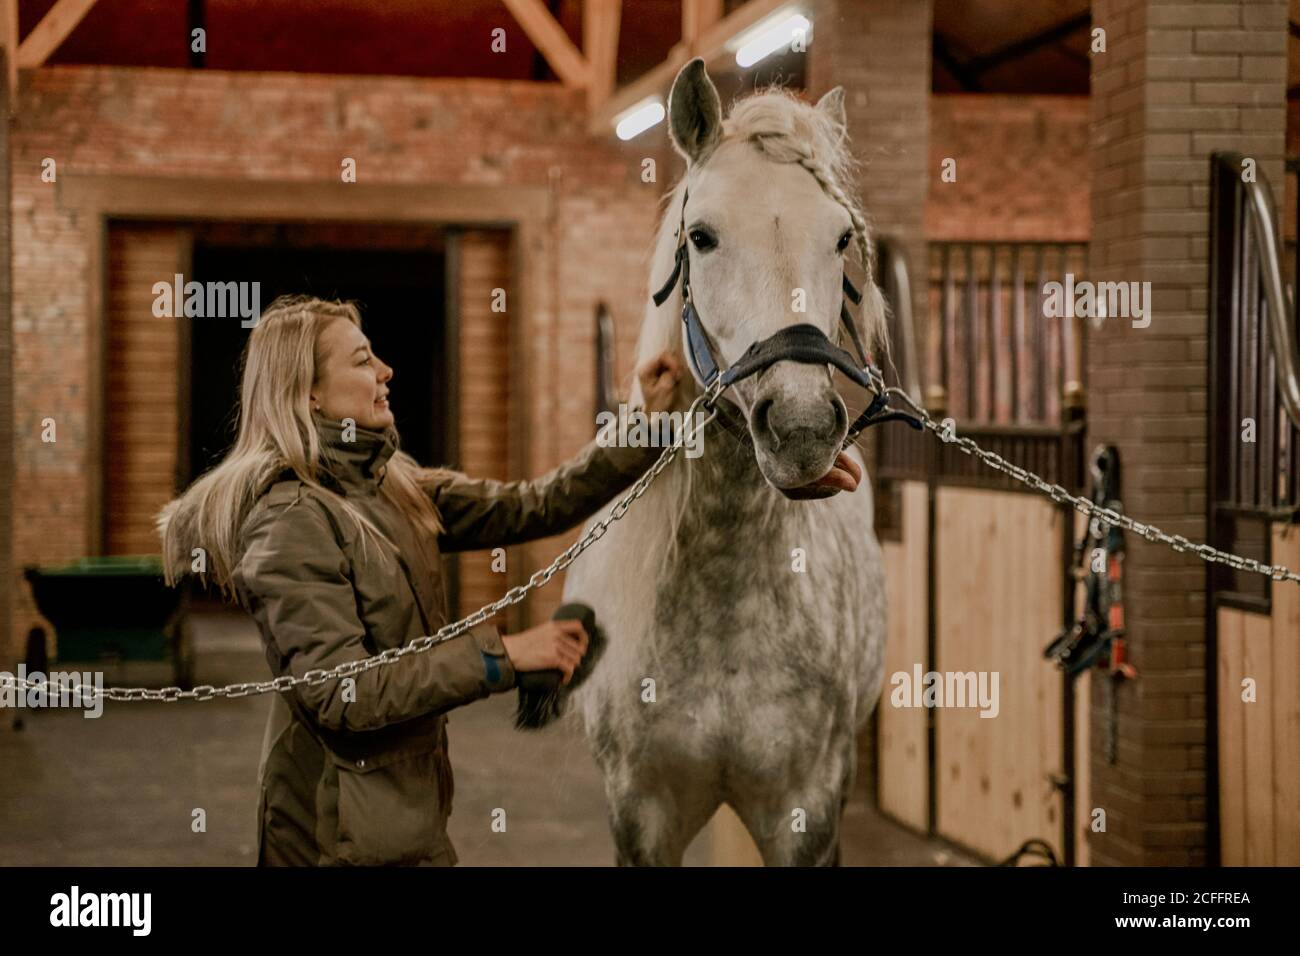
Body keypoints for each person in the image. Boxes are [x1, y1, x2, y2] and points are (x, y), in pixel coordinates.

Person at [156, 295, 680, 866]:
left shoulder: (392, 484)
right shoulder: (290, 520)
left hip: (399, 816)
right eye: (362, 361)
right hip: (331, 835)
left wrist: (640, 423)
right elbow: (342, 692)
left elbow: (533, 505)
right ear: (307, 393)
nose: (386, 371)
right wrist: (502, 656)